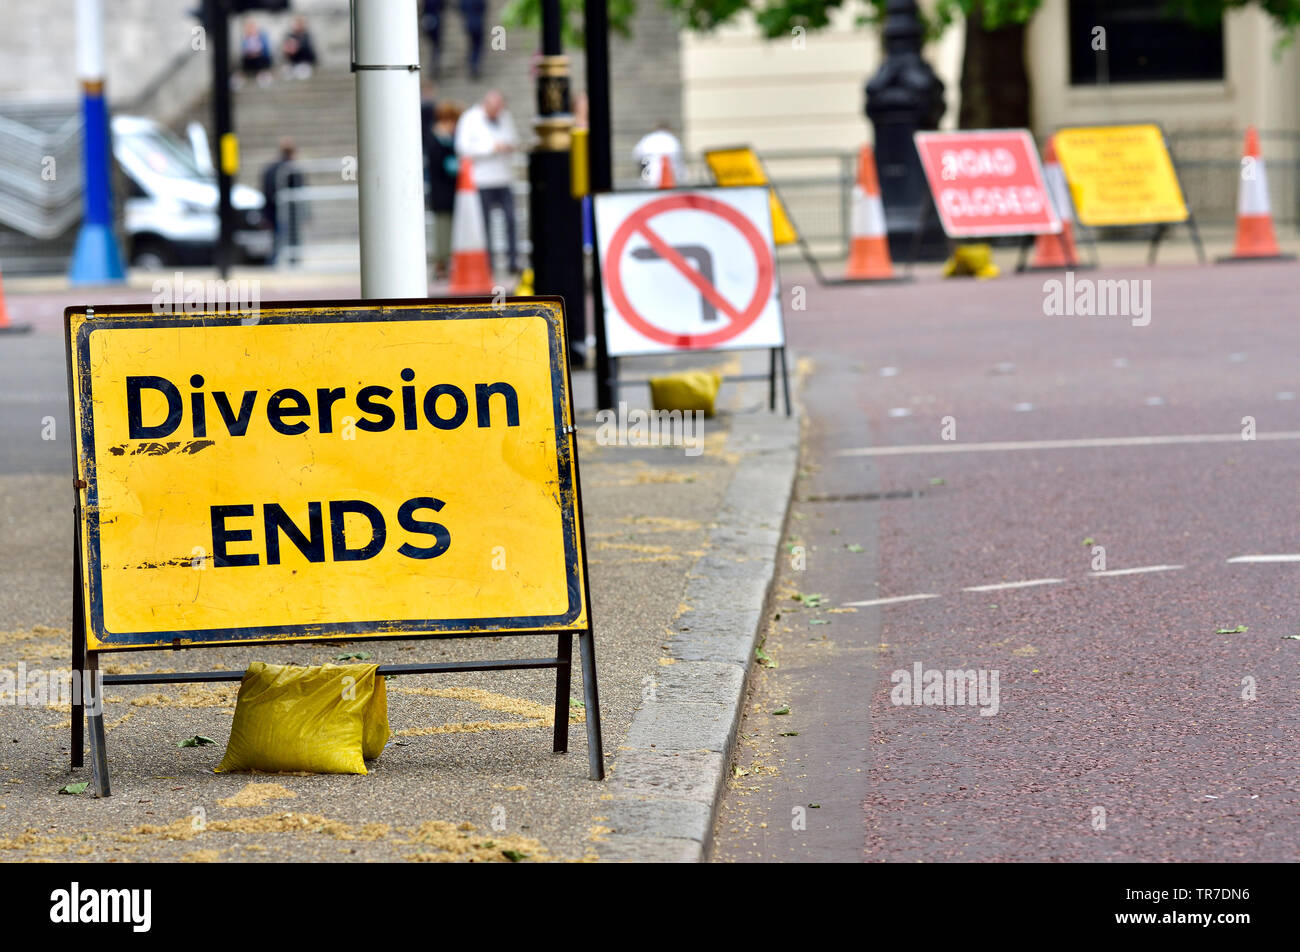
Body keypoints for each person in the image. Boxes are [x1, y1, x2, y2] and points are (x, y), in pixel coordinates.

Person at [454, 90, 519, 275]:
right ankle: (487, 264)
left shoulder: (505, 117)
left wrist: (507, 146)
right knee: (485, 224)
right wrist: (491, 148)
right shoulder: (470, 119)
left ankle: (512, 260)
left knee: (511, 219)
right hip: (482, 180)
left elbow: (513, 139)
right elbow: (462, 148)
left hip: (504, 177)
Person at [428, 102, 462, 281]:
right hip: (441, 193)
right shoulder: (436, 139)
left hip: (451, 192)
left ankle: (447, 263)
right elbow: (439, 165)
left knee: (450, 230)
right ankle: (441, 263)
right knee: (442, 230)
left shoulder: (450, 139)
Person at [261, 138, 303, 266]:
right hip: (282, 208)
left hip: (276, 207)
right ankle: (282, 260)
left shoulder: (273, 168)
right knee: (281, 235)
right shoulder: (288, 169)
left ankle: (277, 260)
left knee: (277, 236)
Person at [632, 121, 687, 188]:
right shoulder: (673, 140)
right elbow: (679, 160)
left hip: (650, 178)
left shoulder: (648, 139)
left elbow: (636, 155)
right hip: (671, 180)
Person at [237, 19, 274, 88]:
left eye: (253, 28)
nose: (251, 30)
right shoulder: (246, 39)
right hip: (250, 59)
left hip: (261, 58)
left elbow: (266, 50)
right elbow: (244, 51)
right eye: (249, 28)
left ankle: (263, 74)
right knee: (244, 59)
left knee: (262, 59)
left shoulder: (262, 37)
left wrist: (258, 52)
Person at [461, 0, 487, 80]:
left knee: (473, 45)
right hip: (478, 23)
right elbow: (483, 8)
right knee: (477, 46)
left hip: (469, 24)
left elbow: (461, 9)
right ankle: (474, 63)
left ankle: (472, 62)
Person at [422, 0, 444, 78]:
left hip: (430, 20)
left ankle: (433, 66)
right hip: (435, 21)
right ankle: (434, 66)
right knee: (436, 46)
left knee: (434, 46)